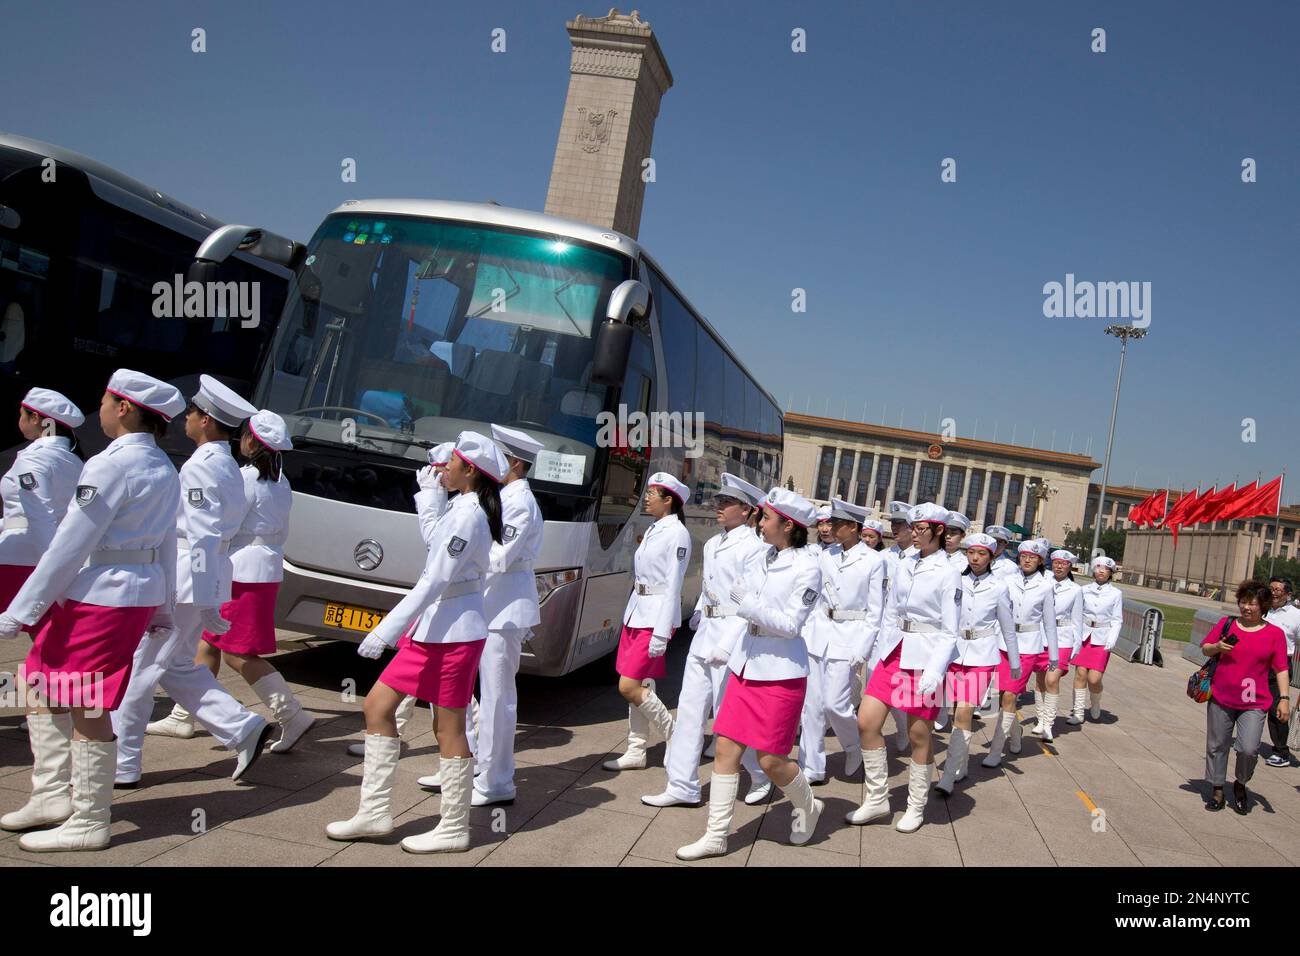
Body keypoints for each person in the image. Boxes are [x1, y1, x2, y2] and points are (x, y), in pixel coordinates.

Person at [0, 371, 183, 851]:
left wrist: (21, 609)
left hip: (104, 592)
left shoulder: (111, 465)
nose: (98, 408)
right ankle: (53, 795)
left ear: (122, 407)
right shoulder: (163, 466)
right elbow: (167, 543)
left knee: (84, 701)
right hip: (127, 590)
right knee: (41, 680)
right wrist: (162, 607)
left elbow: (69, 542)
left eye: (104, 399)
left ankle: (88, 818)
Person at [327, 431, 506, 853]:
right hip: (437, 628)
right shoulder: (464, 506)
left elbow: (436, 578)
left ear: (471, 470)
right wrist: (429, 500)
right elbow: (436, 550)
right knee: (377, 705)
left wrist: (386, 628)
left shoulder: (469, 513)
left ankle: (453, 827)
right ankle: (373, 812)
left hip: (454, 633)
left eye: (452, 462)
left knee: (448, 728)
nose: (443, 467)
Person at [112, 376, 273, 787]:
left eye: (193, 412)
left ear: (206, 421)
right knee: (176, 664)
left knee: (140, 668)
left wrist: (203, 598)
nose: (187, 417)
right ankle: (241, 727)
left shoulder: (203, 466)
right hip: (202, 574)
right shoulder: (226, 465)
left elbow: (200, 535)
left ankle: (122, 761)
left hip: (187, 576)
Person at [676, 487, 824, 860]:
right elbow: (746, 613)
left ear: (788, 526)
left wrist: (749, 604)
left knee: (770, 761)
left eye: (767, 518)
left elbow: (790, 625)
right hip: (746, 663)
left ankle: (808, 805)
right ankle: (716, 835)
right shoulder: (766, 557)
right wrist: (725, 648)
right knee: (725, 746)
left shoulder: (807, 566)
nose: (760, 523)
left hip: (781, 672)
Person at [178, 410, 312, 753]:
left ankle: (292, 715)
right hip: (260, 568)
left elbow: (226, 523)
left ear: (252, 441)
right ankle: (183, 714)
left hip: (243, 570)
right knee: (208, 640)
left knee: (238, 654)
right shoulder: (279, 481)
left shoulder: (247, 478)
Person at [642, 472, 772, 808]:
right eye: (719, 501)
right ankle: (682, 784)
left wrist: (727, 643)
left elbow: (751, 601)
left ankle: (759, 773)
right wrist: (699, 611)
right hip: (706, 634)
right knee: (688, 711)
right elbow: (709, 585)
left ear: (746, 510)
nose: (718, 507)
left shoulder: (755, 549)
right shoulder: (714, 543)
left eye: (726, 503)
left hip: (732, 637)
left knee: (731, 716)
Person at [846, 502, 960, 833]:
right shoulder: (904, 562)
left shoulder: (949, 571)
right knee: (866, 721)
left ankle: (915, 805)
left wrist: (936, 671)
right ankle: (878, 798)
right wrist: (871, 648)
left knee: (918, 734)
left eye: (921, 528)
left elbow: (950, 630)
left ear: (938, 531)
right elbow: (890, 611)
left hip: (926, 657)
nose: (914, 533)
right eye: (913, 527)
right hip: (894, 650)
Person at [346, 442, 457, 762]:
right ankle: (385, 732)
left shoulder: (463, 509)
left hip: (446, 611)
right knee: (419, 685)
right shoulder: (454, 504)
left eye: (440, 470)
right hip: (435, 610)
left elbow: (434, 545)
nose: (437, 477)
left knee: (449, 700)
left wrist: (430, 501)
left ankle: (468, 753)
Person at [463, 424, 545, 806]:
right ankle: (477, 763)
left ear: (513, 462)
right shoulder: (505, 495)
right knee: (481, 691)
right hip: (492, 604)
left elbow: (499, 557)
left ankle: (497, 781)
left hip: (505, 607)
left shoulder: (518, 501)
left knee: (497, 698)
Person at [603, 472, 691, 772]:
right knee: (640, 683)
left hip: (654, 617)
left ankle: (674, 735)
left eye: (653, 493)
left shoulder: (677, 533)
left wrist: (661, 632)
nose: (648, 497)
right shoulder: (655, 528)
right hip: (637, 611)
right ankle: (636, 749)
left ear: (668, 501)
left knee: (628, 686)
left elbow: (674, 585)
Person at [798, 498, 884, 785]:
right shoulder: (825, 555)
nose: (830, 528)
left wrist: (864, 648)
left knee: (836, 704)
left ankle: (852, 746)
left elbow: (876, 611)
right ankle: (812, 767)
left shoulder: (873, 560)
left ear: (852, 527)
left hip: (850, 635)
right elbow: (812, 595)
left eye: (836, 524)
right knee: (811, 705)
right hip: (819, 632)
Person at [937, 533, 1016, 795]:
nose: (975, 558)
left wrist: (1014, 661)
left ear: (991, 557)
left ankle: (948, 776)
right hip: (955, 652)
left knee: (964, 712)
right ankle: (962, 765)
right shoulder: (955, 579)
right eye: (971, 552)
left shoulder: (999, 587)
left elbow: (1007, 627)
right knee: (953, 711)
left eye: (981, 553)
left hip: (982, 655)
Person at [1201, 581, 1289, 814]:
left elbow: (1281, 668)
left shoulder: (1274, 634)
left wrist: (1284, 698)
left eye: (1252, 603)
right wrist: (1217, 646)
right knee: (1217, 744)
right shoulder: (1226, 624)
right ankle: (1217, 789)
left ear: (1263, 607)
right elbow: (1205, 648)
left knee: (1248, 748)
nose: (1246, 607)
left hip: (1254, 702)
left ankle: (1241, 782)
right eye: (1243, 602)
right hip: (1221, 696)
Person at [982, 540, 1057, 768]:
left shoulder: (1046, 586)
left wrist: (1053, 654)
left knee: (1009, 696)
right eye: (1023, 556)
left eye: (1032, 557)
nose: (1026, 560)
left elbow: (1049, 622)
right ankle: (1016, 733)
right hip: (1003, 642)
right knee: (1003, 693)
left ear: (1041, 561)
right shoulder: (1006, 581)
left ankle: (996, 751)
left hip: (1027, 646)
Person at [1034, 549, 1083, 741]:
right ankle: (1040, 719)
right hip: (1041, 636)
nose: (1059, 566)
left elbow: (1077, 619)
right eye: (1056, 563)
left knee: (1052, 680)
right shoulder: (1043, 583)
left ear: (1070, 566)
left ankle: (1048, 723)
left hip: (1062, 638)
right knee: (1040, 680)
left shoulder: (1075, 590)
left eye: (1064, 563)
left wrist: (1076, 644)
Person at [1068, 555, 1123, 723]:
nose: (1101, 571)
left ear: (1110, 572)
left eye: (1105, 569)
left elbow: (1117, 619)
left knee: (1094, 678)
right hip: (1084, 635)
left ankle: (1095, 701)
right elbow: (1076, 613)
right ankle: (1078, 712)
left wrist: (1112, 638)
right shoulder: (1083, 590)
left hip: (1102, 636)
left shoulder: (1116, 593)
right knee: (1080, 675)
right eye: (1098, 567)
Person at [1264, 578, 1300, 767]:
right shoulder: (1262, 609)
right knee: (1251, 704)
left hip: (1280, 665)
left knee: (1276, 708)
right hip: (1258, 663)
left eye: (1278, 590)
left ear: (1288, 594)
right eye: (1271, 589)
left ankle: (1281, 752)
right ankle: (1249, 741)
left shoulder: (1296, 615)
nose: (1274, 592)